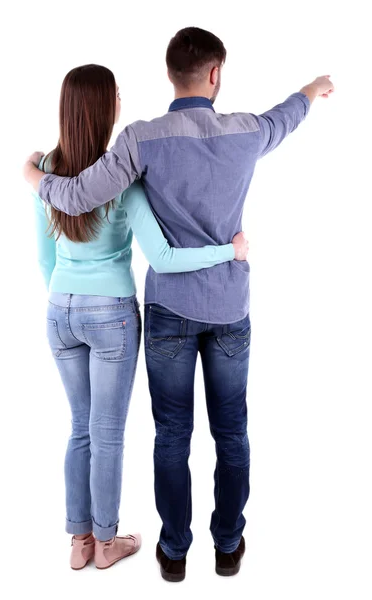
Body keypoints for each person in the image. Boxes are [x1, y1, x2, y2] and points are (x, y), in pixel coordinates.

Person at [24, 28, 334, 582]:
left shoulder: (140, 141)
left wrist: (33, 177)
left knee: (168, 434)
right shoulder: (247, 131)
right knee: (232, 431)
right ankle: (229, 544)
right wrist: (310, 90)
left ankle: (171, 553)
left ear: (170, 75)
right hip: (227, 308)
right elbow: (286, 116)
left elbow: (73, 197)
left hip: (165, 310)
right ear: (215, 74)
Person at [32, 63, 248, 572]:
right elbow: (166, 258)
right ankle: (107, 545)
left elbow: (44, 257)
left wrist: (67, 299)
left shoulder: (44, 169)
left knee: (78, 429)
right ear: (107, 109)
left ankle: (78, 543)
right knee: (107, 432)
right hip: (112, 316)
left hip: (59, 311)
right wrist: (228, 252)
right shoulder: (124, 181)